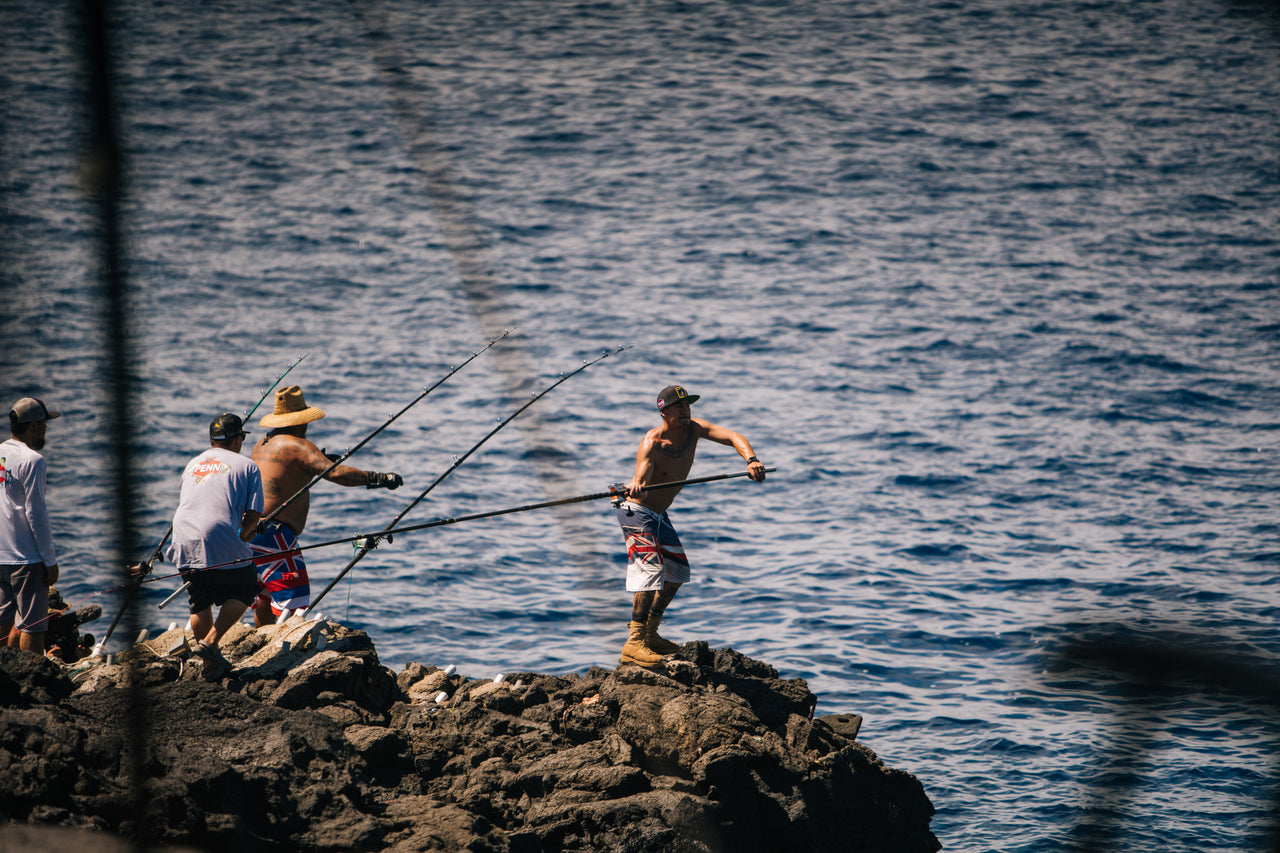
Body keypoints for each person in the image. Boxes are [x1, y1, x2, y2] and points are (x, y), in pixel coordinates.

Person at [616, 385, 767, 667]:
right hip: (637, 512)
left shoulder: (694, 429)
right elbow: (643, 481)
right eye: (679, 407)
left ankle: (650, 632)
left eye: (688, 406)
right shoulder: (653, 441)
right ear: (664, 411)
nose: (686, 412)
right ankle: (634, 642)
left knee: (677, 572)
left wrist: (751, 460)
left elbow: (734, 436)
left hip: (660, 515)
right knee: (650, 571)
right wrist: (637, 487)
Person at [249, 385, 402, 625]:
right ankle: (278, 652)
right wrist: (378, 478)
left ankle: (260, 641)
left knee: (265, 596)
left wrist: (321, 461)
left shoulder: (263, 443)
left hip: (250, 531)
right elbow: (336, 474)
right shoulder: (299, 445)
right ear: (301, 420)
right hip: (274, 536)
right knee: (293, 603)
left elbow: (289, 470)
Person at [167, 412, 263, 679]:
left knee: (200, 598)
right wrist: (246, 535)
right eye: (241, 438)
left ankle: (210, 667)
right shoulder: (248, 466)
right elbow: (253, 517)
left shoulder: (192, 463)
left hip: (183, 536)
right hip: (215, 534)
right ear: (236, 439)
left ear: (212, 439)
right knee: (247, 586)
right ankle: (210, 642)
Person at [0, 397, 61, 656]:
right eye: (45, 425)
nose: (46, 430)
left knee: (2, 624)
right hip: (26, 557)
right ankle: (34, 683)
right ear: (34, 427)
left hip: (1, 555)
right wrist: (49, 560)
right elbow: (36, 512)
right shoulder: (33, 460)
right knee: (32, 627)